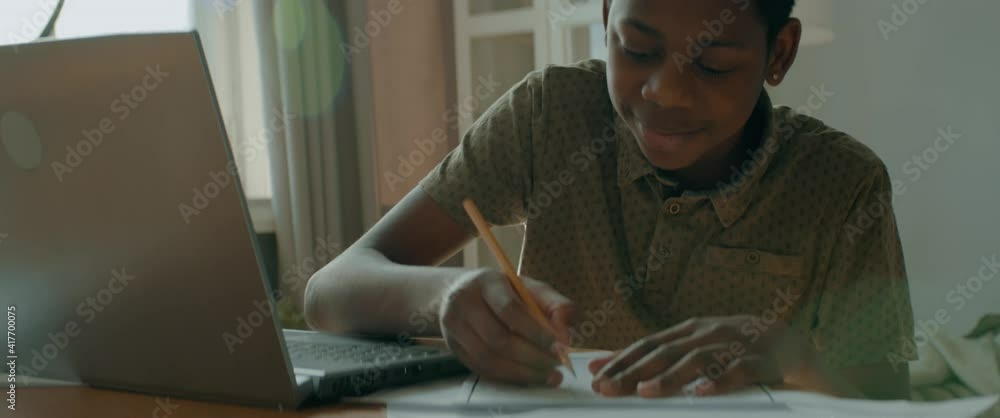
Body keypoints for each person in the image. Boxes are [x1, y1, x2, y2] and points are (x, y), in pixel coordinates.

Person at [304, 0, 915, 400]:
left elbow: (885, 392)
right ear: (605, 17)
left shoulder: (840, 183)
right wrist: (443, 299)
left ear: (778, 53)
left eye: (713, 66)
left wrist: (790, 354)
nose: (663, 93)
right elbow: (330, 293)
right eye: (638, 51)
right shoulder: (551, 117)